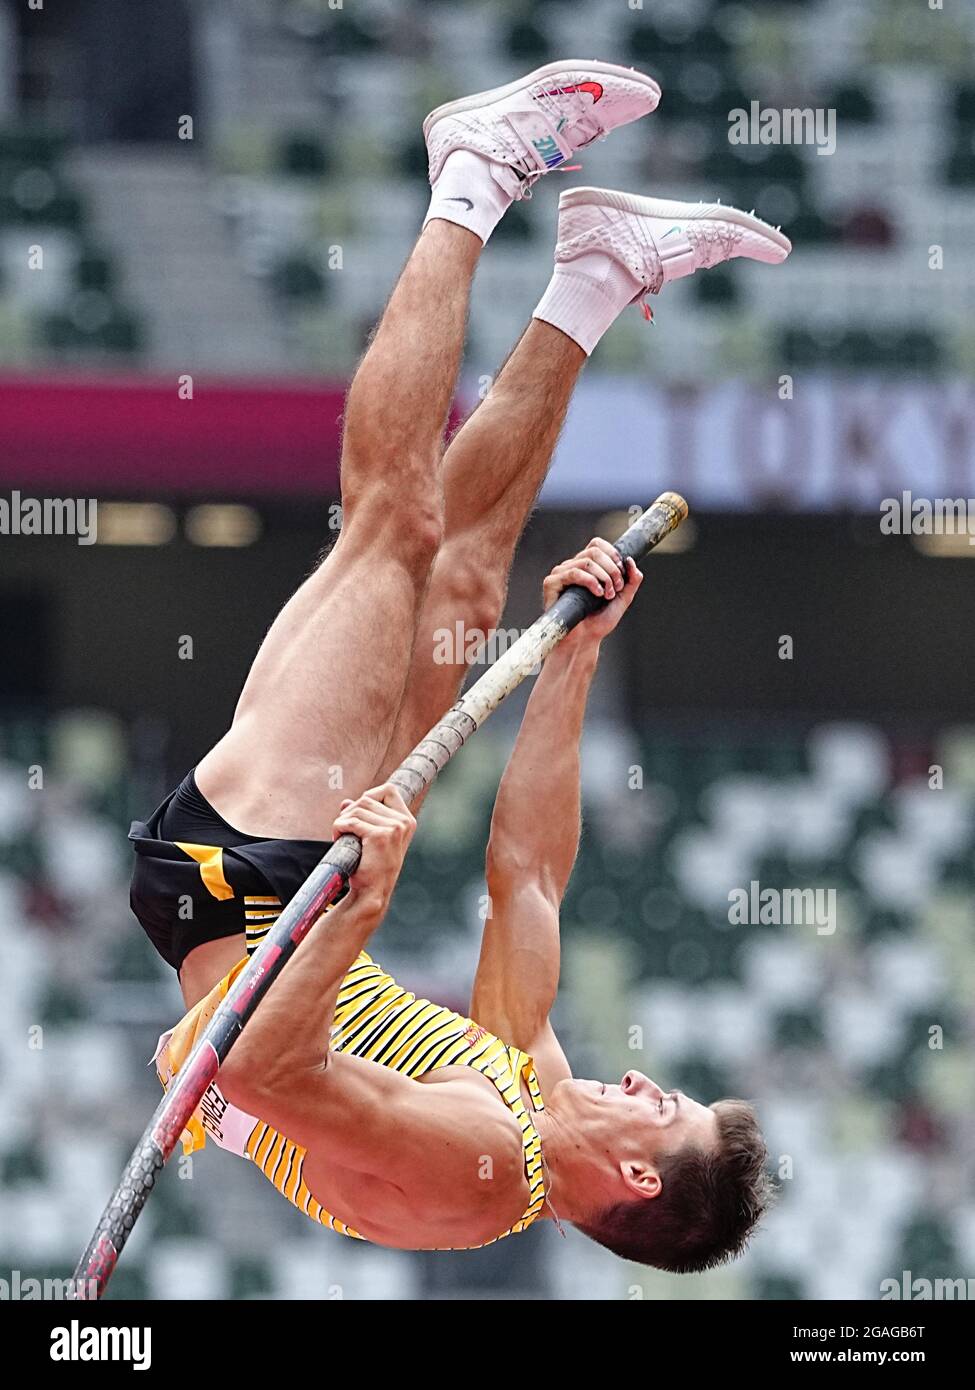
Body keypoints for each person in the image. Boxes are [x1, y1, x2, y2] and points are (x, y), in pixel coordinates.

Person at [135, 59, 788, 1268]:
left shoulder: (477, 1170)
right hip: (307, 877)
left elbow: (262, 1069)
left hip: (247, 880)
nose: (647, 1077)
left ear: (638, 1174)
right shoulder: (529, 1093)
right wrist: (574, 657)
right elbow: (528, 874)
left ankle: (472, 177)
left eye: (667, 1105)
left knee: (394, 527)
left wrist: (359, 907)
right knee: (472, 581)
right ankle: (595, 278)